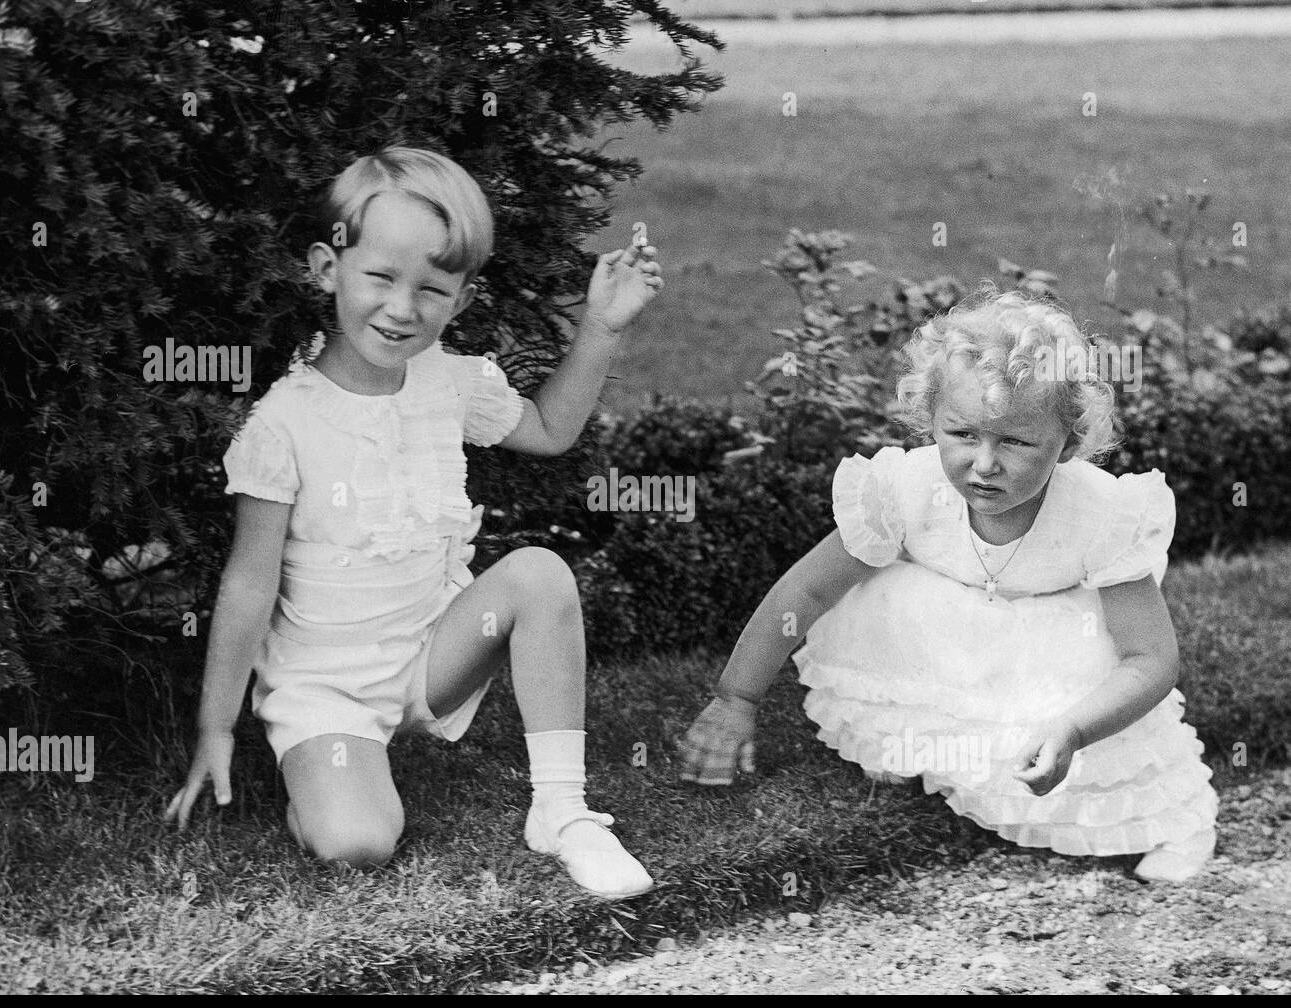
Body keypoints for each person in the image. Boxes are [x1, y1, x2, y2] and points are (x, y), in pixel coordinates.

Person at [166, 146, 663, 900]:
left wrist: (601, 325)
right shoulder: (284, 422)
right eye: (380, 279)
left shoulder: (450, 383)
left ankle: (562, 811)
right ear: (327, 269)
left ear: (461, 301)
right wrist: (216, 728)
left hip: (431, 652)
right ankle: (326, 779)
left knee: (539, 573)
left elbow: (552, 430)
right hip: (326, 687)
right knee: (358, 843)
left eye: (432, 289)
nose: (403, 309)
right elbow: (247, 584)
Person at [678, 287, 1217, 883]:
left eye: (1014, 441)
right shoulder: (905, 491)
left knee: (1085, 765)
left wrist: (1074, 728)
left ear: (1067, 444)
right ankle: (925, 737)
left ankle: (1183, 821)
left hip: (1046, 654)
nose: (984, 464)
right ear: (930, 419)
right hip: (941, 642)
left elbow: (1150, 658)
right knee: (885, 589)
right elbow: (803, 594)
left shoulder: (1101, 515)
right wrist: (736, 700)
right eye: (962, 434)